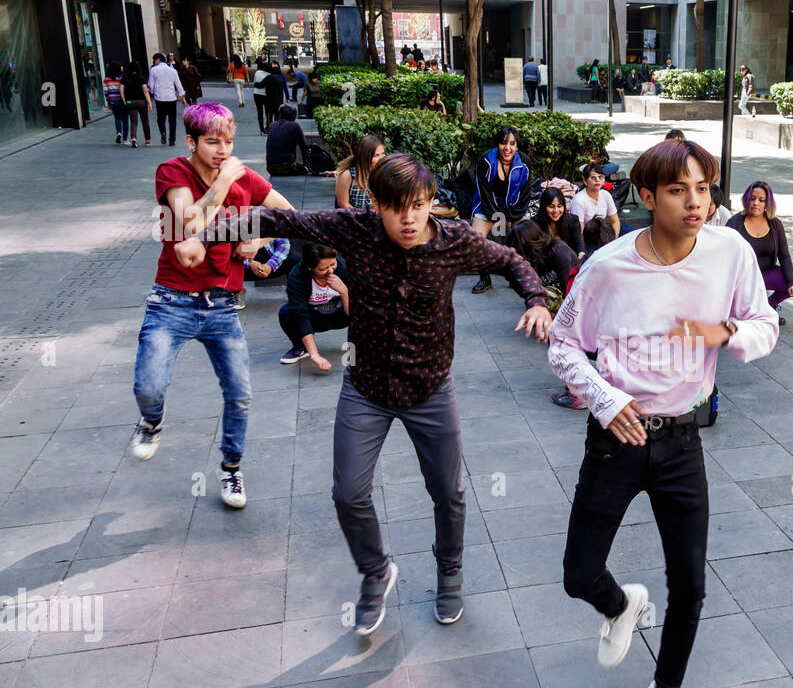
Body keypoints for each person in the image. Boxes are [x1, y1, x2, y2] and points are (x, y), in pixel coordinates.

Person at [176, 153, 552, 634]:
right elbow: (282, 218)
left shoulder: (454, 242)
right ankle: (377, 571)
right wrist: (206, 231)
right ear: (376, 204)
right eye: (397, 208)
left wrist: (537, 301)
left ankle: (450, 572)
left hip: (430, 387)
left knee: (450, 492)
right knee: (348, 493)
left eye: (418, 206)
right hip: (367, 386)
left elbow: (511, 259)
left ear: (431, 203)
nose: (409, 218)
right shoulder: (355, 228)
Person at [548, 138, 778, 688]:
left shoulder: (731, 250)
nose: (696, 202)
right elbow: (564, 345)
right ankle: (622, 605)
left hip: (681, 439)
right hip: (616, 436)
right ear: (646, 197)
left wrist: (725, 331)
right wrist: (603, 398)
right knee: (577, 574)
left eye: (703, 188)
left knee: (692, 585)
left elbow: (766, 321)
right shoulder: (608, 267)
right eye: (679, 190)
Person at [130, 102, 295, 508]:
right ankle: (152, 421)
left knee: (239, 394)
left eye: (228, 142)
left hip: (222, 306)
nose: (223, 150)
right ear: (191, 142)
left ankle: (232, 470)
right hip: (171, 301)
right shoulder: (174, 172)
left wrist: (257, 237)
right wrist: (223, 183)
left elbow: (288, 213)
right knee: (148, 386)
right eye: (212, 142)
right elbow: (190, 225)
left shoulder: (245, 179)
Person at [726, 181, 793, 325]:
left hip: (766, 274)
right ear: (746, 199)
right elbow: (724, 258)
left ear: (767, 203)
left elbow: (784, 255)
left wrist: (791, 283)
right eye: (752, 198)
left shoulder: (775, 224)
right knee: (742, 317)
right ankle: (746, 311)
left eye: (761, 200)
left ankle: (768, 306)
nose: (756, 203)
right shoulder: (734, 223)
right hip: (742, 278)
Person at [471, 126, 533, 293]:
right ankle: (484, 278)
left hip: (514, 208)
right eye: (503, 143)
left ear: (517, 146)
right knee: (476, 238)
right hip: (487, 207)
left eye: (512, 144)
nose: (507, 148)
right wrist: (498, 217)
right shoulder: (486, 160)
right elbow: (484, 192)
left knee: (528, 234)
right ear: (497, 144)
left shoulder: (525, 162)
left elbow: (525, 193)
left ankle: (519, 275)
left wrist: (512, 216)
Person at [279, 242, 350, 369]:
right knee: (286, 312)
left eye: (333, 264)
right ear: (310, 268)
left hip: (342, 314)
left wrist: (344, 291)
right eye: (323, 269)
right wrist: (315, 355)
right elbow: (300, 314)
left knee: (367, 308)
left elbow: (356, 313)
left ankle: (363, 344)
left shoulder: (344, 267)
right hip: (315, 317)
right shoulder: (297, 276)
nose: (330, 271)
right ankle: (302, 347)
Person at [335, 135, 386, 212]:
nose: (382, 158)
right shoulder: (348, 175)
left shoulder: (384, 174)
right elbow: (343, 204)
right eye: (376, 155)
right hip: (354, 217)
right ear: (365, 157)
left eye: (383, 154)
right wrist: (362, 217)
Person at [569, 163, 621, 237]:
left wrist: (613, 241)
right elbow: (579, 232)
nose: (597, 180)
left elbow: (615, 221)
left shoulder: (606, 195)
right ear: (584, 181)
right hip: (587, 239)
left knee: (628, 231)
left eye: (600, 177)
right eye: (593, 177)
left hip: (603, 235)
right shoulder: (579, 201)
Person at [147, 52, 186, 147]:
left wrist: (151, 92)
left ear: (158, 60)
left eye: (154, 60)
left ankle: (163, 132)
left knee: (161, 118)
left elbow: (151, 85)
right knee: (172, 119)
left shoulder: (153, 70)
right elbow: (178, 84)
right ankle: (172, 139)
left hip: (159, 98)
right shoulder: (172, 70)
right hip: (171, 98)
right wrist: (182, 96)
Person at [534, 187, 584, 256]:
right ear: (543, 206)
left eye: (559, 206)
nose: (556, 211)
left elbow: (579, 246)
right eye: (551, 206)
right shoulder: (535, 223)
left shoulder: (573, 221)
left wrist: (580, 254)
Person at [265, 103, 311, 176]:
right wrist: (308, 164)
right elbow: (304, 147)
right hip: (286, 167)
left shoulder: (272, 124)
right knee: (304, 169)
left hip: (270, 167)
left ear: (280, 115)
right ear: (294, 117)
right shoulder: (295, 126)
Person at [121, 61, 153, 147]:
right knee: (145, 121)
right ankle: (147, 140)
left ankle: (134, 137)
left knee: (133, 121)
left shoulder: (125, 78)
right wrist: (149, 102)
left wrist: (124, 101)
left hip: (130, 102)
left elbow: (121, 90)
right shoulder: (141, 78)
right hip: (141, 101)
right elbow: (145, 91)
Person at [104, 62, 129, 145]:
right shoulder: (121, 78)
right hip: (122, 99)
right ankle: (125, 139)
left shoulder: (106, 79)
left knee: (117, 118)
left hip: (112, 100)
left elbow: (106, 92)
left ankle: (118, 133)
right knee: (125, 119)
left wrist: (108, 102)